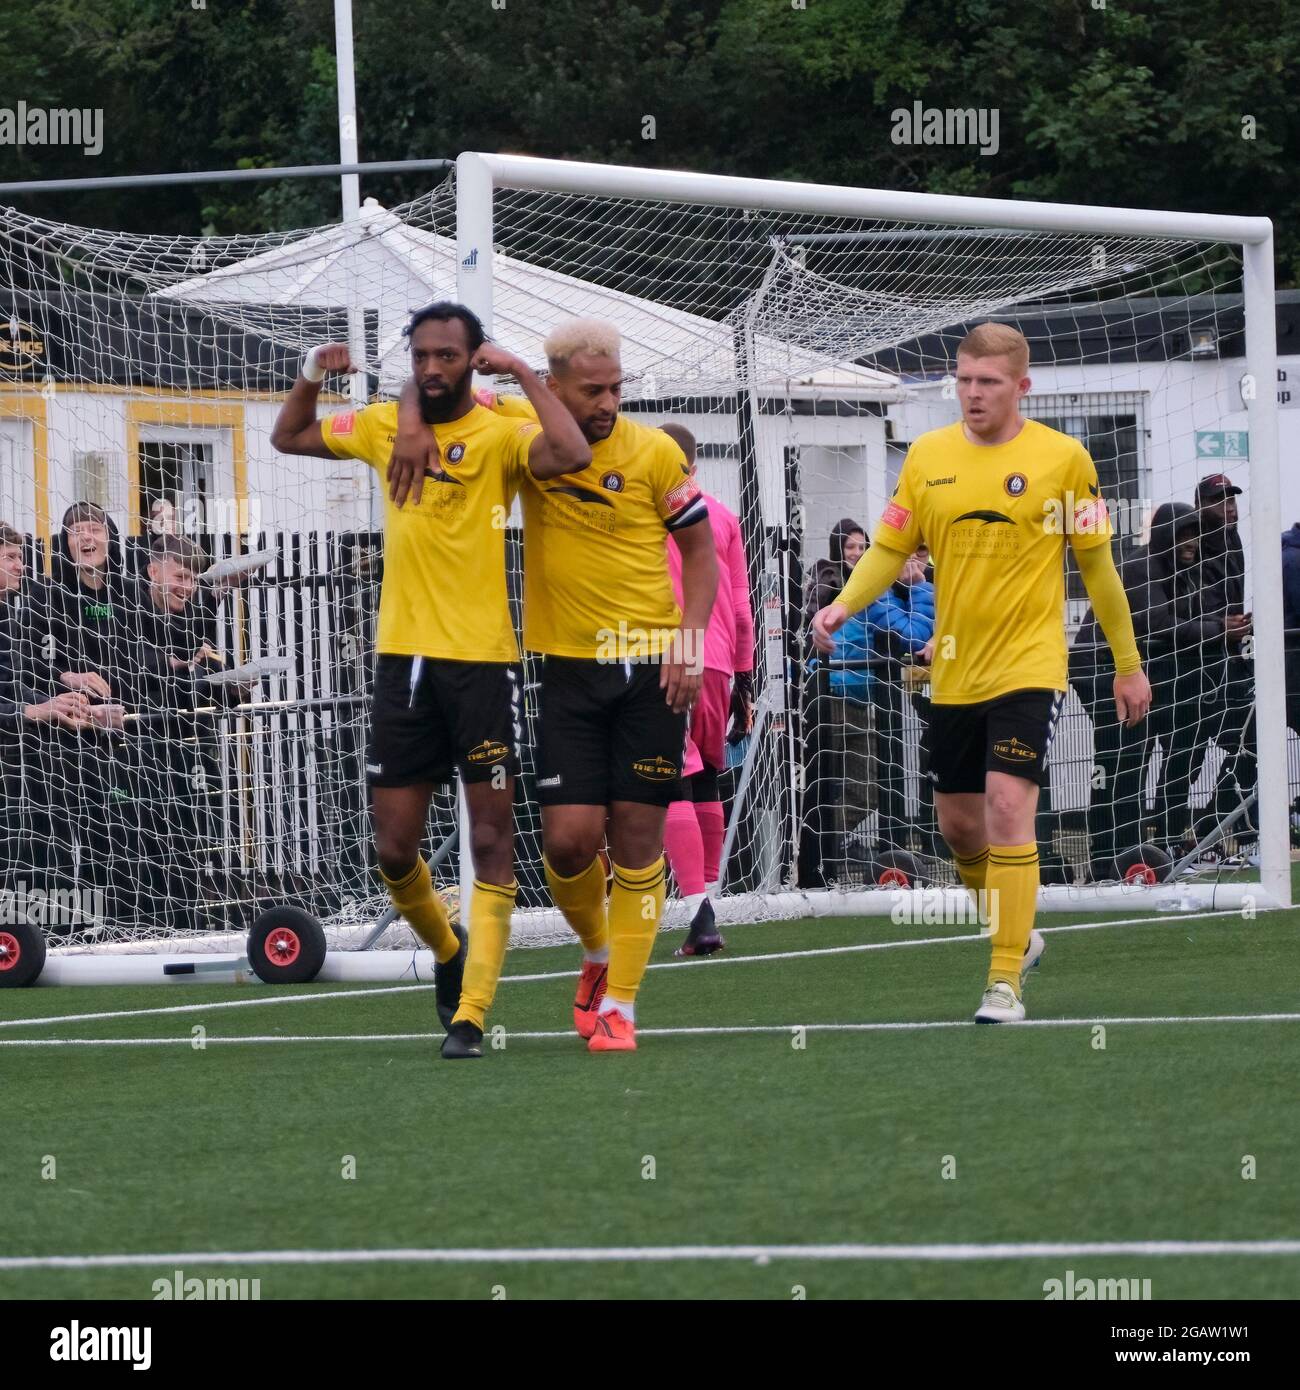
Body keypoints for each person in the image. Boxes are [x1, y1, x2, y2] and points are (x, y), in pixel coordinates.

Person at [271, 300, 591, 1057]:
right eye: (421, 356)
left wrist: (518, 369)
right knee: (391, 847)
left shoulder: (504, 428)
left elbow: (573, 453)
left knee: (490, 840)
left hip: (484, 664)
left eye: (448, 355)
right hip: (403, 663)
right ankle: (448, 953)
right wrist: (315, 372)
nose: (432, 367)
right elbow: (287, 435)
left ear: (473, 358)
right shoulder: (386, 425)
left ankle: (473, 1013)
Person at [393, 318, 718, 1053]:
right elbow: (434, 388)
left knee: (636, 840)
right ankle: (599, 954)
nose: (607, 403)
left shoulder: (657, 453)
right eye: (591, 390)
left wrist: (690, 645)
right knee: (570, 846)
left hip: (652, 671)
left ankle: (623, 1009)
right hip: (567, 671)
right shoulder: (521, 422)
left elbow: (699, 553)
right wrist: (417, 420)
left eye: (615, 389)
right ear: (557, 382)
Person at [813, 322, 1150, 1023]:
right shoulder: (928, 457)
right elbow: (888, 547)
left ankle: (1003, 980)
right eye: (964, 380)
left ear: (1021, 387)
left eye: (988, 382)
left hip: (1030, 664)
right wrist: (842, 606)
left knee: (1006, 810)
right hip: (954, 671)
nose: (972, 393)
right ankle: (1016, 934)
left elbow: (1099, 569)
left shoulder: (1065, 460)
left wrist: (1128, 664)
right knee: (961, 829)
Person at [659, 422, 755, 957]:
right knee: (708, 780)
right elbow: (741, 606)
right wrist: (745, 674)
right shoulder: (722, 515)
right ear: (695, 466)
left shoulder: (648, 512)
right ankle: (710, 901)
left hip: (671, 659)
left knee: (672, 780)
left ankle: (700, 913)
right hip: (718, 663)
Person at [798, 520, 867, 887]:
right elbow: (814, 605)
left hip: (863, 698)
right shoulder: (828, 577)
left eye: (862, 547)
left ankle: (829, 841)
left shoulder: (875, 587)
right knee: (824, 781)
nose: (856, 553)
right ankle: (817, 852)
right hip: (830, 696)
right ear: (838, 548)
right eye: (850, 547)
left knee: (865, 789)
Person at [1191, 474, 1255, 839]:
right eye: (1220, 500)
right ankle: (1198, 831)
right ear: (1200, 506)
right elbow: (1180, 605)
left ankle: (1217, 826)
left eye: (1232, 499)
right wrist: (1218, 624)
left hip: (1227, 656)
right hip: (1193, 661)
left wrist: (1238, 624)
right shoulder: (1191, 542)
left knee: (1249, 741)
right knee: (1188, 753)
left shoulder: (1233, 539)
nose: (1229, 506)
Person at [867, 547, 936, 853]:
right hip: (873, 700)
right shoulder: (878, 589)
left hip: (947, 692)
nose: (912, 561)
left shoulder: (942, 581)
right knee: (881, 779)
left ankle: (937, 843)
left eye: (920, 552)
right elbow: (912, 638)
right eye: (904, 553)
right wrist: (919, 585)